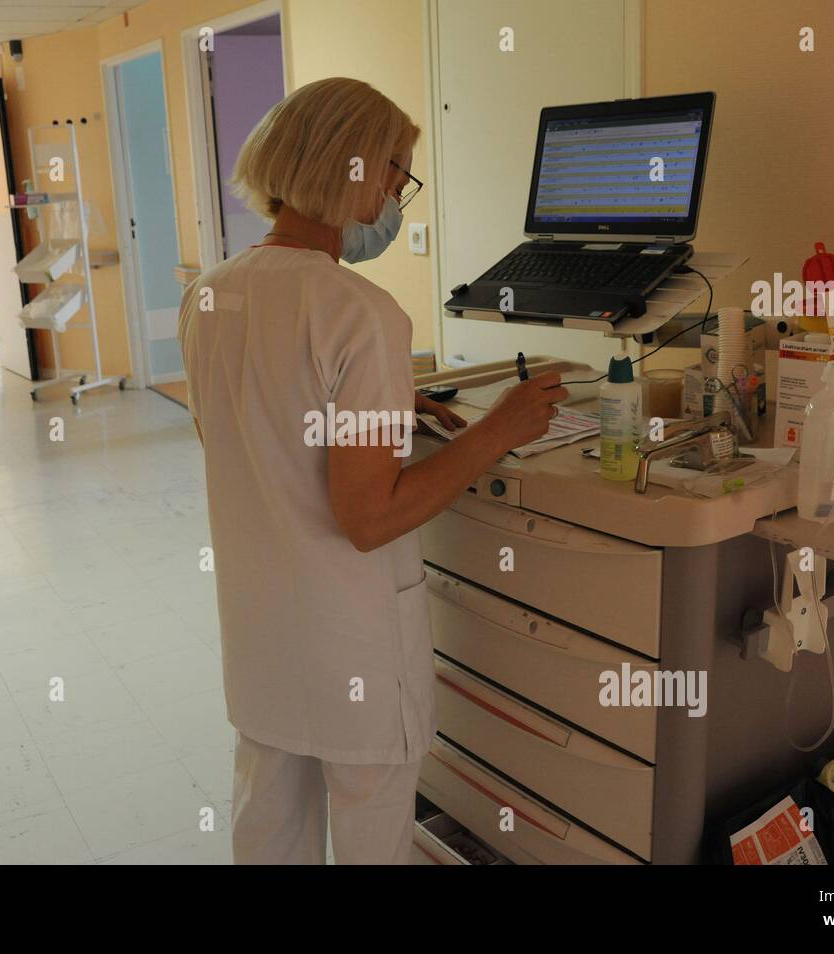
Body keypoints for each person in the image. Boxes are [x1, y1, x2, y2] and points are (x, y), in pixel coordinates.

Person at [178, 78, 566, 864]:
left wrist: (396, 406)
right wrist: (499, 429)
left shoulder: (209, 295)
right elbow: (370, 518)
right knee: (371, 837)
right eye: (396, 172)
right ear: (353, 169)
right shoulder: (361, 313)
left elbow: (256, 430)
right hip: (349, 648)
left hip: (261, 641)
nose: (398, 196)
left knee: (269, 831)